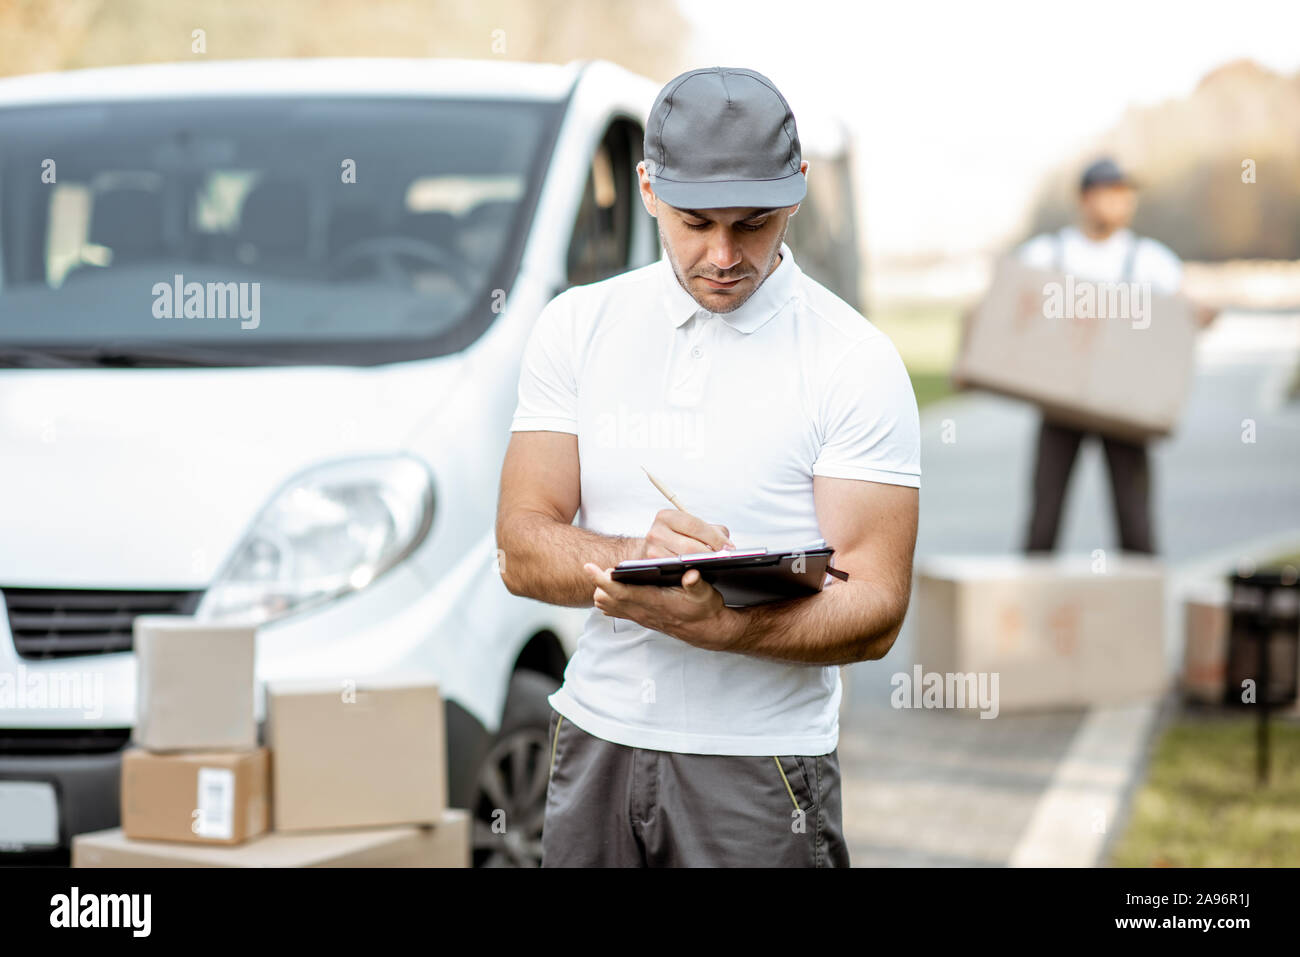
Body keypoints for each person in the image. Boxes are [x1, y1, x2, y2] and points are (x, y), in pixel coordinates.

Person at [494, 66, 921, 867]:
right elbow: (520, 545)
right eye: (696, 222)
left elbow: (879, 607)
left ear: (796, 194)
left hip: (761, 768)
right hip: (594, 742)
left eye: (753, 224)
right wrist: (636, 563)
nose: (723, 255)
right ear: (648, 188)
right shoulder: (576, 327)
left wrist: (730, 627)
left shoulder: (854, 361)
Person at [1015, 157, 1213, 555]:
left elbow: (1190, 310)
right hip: (1060, 399)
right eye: (1109, 193)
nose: (1119, 203)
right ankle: (1030, 601)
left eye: (1125, 195)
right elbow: (1007, 304)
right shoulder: (1046, 253)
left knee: (1135, 520)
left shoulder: (1149, 259)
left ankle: (1139, 604)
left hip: (1124, 405)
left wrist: (1199, 312)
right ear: (1085, 199)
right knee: (1043, 520)